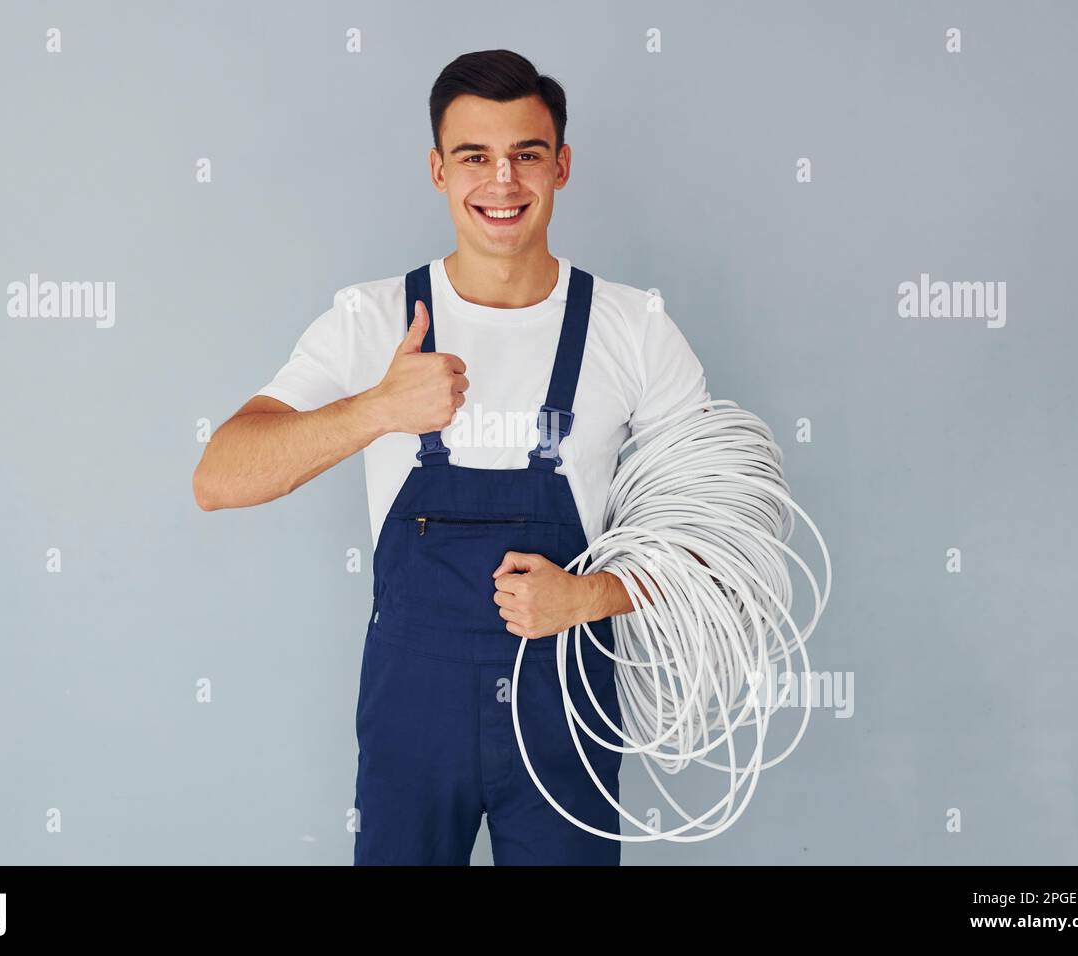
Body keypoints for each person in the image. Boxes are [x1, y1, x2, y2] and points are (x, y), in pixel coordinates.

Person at [193, 49, 711, 865]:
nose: (502, 180)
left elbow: (720, 540)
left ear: (561, 165)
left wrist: (590, 596)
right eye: (474, 156)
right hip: (413, 717)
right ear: (438, 170)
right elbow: (218, 477)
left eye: (526, 154)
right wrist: (377, 409)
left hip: (565, 709)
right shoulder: (372, 319)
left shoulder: (634, 328)